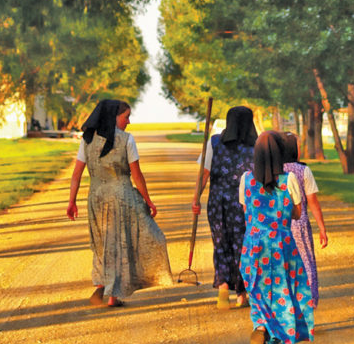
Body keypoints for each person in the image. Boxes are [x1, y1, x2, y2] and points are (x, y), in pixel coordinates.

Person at [67, 99, 172, 307]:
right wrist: (148, 200)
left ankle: (105, 289)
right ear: (113, 117)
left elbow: (76, 175)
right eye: (126, 117)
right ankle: (111, 293)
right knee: (130, 241)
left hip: (95, 196)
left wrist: (72, 202)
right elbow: (137, 175)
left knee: (102, 243)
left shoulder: (87, 140)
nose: (129, 121)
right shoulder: (126, 140)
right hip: (122, 197)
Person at [240, 130, 315, 344]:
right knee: (283, 295)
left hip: (253, 246)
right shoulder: (288, 180)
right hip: (282, 247)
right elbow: (297, 213)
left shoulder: (246, 180)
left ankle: (261, 327)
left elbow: (247, 212)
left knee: (258, 291)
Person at [192, 106, 257, 309]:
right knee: (244, 245)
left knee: (221, 242)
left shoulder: (215, 142)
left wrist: (196, 198)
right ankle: (241, 295)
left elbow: (204, 173)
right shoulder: (257, 146)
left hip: (218, 202)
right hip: (246, 203)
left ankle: (222, 287)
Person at [281, 132, 328, 307]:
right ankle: (307, 303)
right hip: (299, 224)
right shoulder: (303, 170)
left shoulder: (273, 170)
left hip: (279, 225)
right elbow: (313, 202)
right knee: (305, 262)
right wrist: (322, 228)